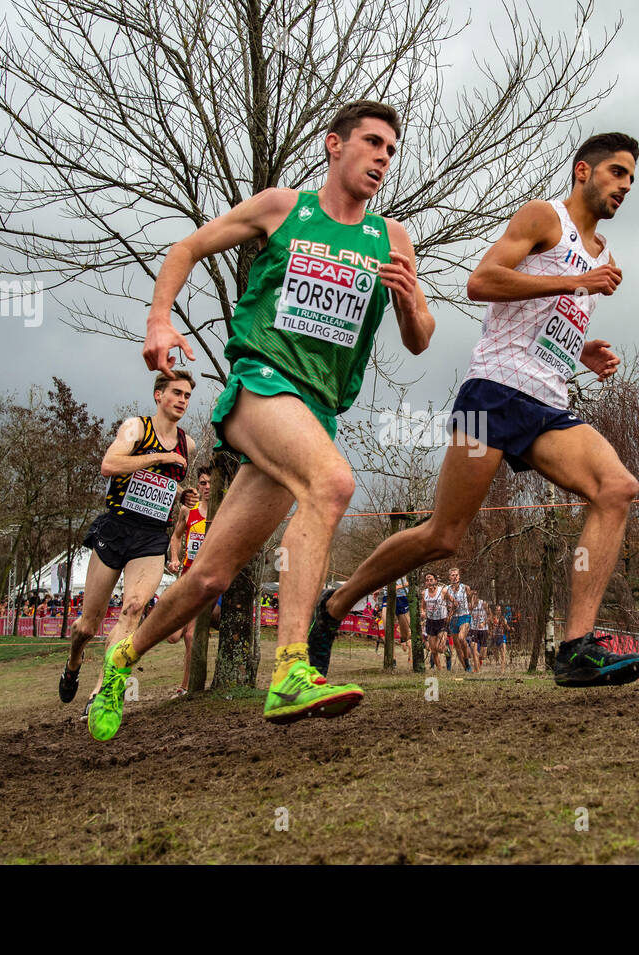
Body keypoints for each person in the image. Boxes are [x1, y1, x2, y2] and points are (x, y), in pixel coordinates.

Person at [84, 100, 436, 739]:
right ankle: (292, 668)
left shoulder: (391, 240)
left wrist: (410, 301)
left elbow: (420, 340)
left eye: (392, 149)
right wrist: (160, 320)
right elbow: (187, 247)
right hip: (260, 386)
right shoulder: (284, 208)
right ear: (335, 145)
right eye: (373, 143)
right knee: (331, 484)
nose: (385, 157)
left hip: (314, 412)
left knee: (211, 577)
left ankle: (121, 658)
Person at [307, 133, 639, 688]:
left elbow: (544, 318)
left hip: (548, 403)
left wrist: (581, 349)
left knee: (617, 488)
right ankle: (335, 603)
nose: (625, 186)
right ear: (583, 171)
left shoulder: (604, 253)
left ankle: (576, 648)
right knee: (443, 536)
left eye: (632, 179)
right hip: (491, 394)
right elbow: (481, 282)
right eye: (616, 173)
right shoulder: (544, 218)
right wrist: (578, 279)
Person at [56, 370, 196, 709]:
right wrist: (159, 456)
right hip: (116, 528)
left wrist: (182, 496)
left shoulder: (187, 444)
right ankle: (74, 662)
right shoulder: (136, 428)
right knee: (87, 626)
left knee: (133, 608)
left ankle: (102, 691)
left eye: (187, 396)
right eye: (176, 393)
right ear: (158, 395)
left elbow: (163, 485)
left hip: (151, 538)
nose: (182, 400)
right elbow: (109, 465)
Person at [164, 466, 221, 696]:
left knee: (189, 636)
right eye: (203, 483)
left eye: (210, 483)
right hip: (186, 578)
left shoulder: (220, 514)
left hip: (205, 582)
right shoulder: (189, 512)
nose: (207, 487)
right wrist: (174, 558)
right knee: (172, 636)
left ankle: (186, 687)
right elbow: (176, 536)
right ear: (197, 486)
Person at [421, 573, 448, 671]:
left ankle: (446, 649)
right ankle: (440, 670)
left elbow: (453, 602)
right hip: (430, 622)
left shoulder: (443, 591)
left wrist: (450, 613)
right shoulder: (424, 593)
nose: (429, 582)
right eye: (427, 580)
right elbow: (422, 606)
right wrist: (423, 612)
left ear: (435, 580)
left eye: (431, 580)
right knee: (433, 650)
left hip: (442, 621)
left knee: (440, 648)